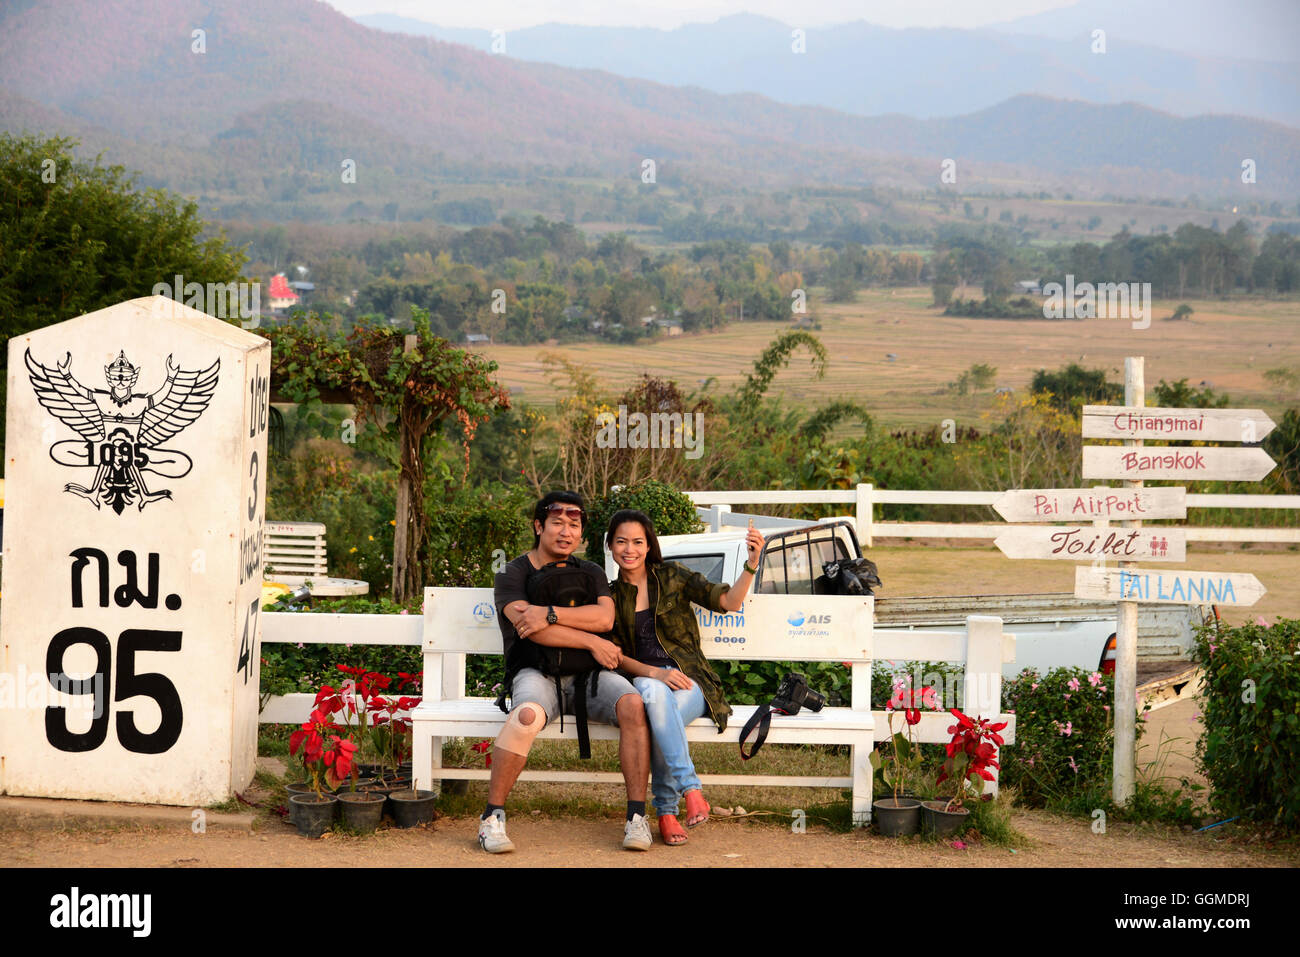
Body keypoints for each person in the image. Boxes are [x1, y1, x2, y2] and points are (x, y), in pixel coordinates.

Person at [479, 490, 653, 854]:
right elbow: (529, 625)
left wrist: (550, 613)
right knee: (525, 716)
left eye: (574, 525)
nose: (565, 532)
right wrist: (591, 642)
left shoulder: (590, 571)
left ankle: (637, 818)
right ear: (538, 525)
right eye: (557, 523)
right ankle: (492, 818)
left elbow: (604, 618)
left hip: (589, 679)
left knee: (634, 705)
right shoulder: (512, 572)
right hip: (536, 672)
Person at [606, 509, 764, 846]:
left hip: (689, 681)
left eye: (637, 542)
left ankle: (666, 809)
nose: (629, 549)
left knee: (660, 711)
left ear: (649, 546)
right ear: (610, 546)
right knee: (655, 698)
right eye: (621, 542)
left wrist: (751, 563)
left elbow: (727, 602)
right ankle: (688, 792)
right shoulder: (611, 597)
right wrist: (654, 673)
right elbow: (616, 657)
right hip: (646, 682)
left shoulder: (673, 576)